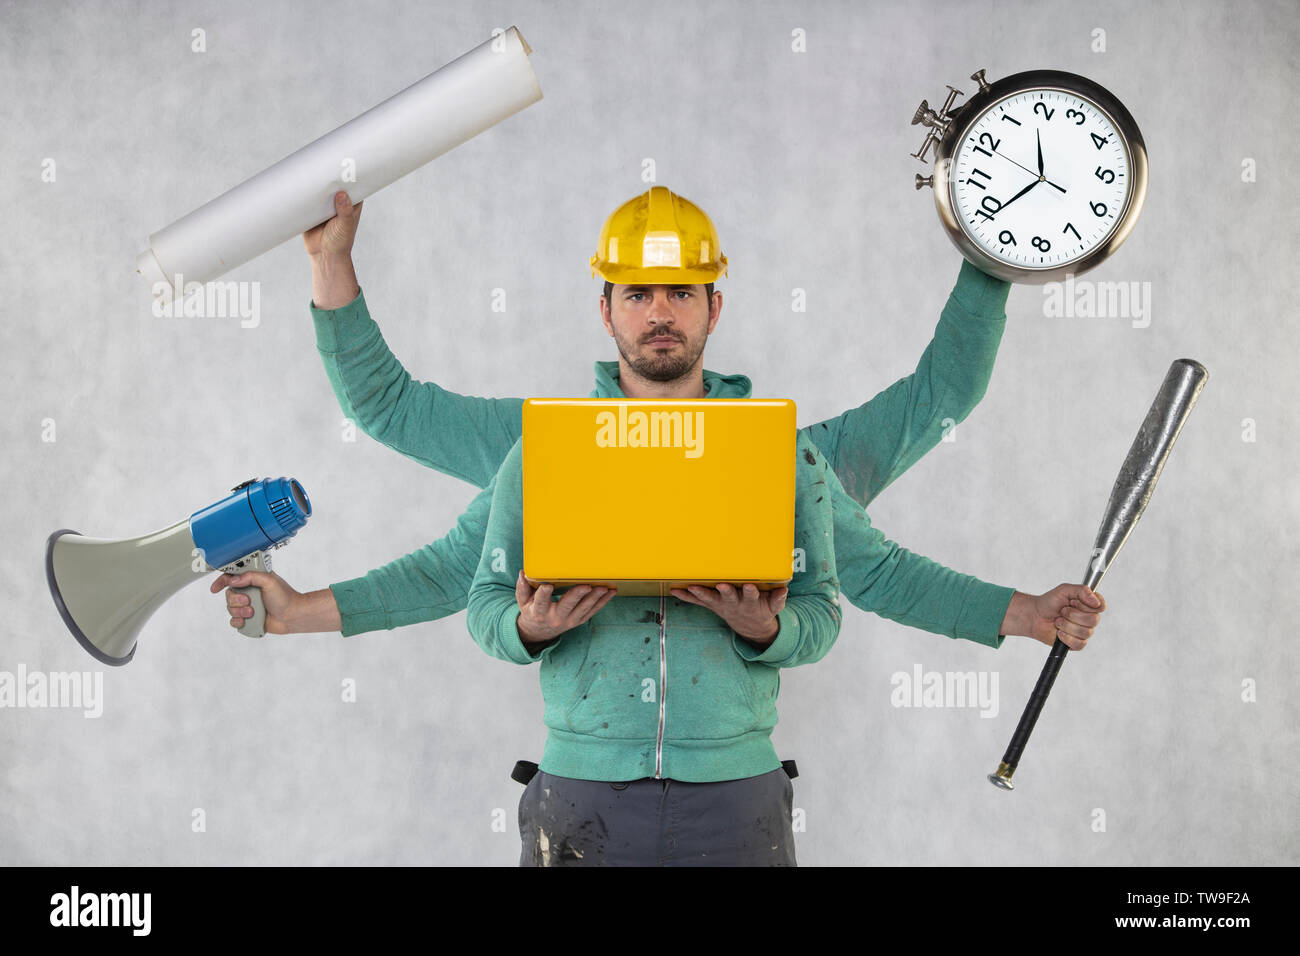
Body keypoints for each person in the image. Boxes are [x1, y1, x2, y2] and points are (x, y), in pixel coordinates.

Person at [212, 186, 1105, 864]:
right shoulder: (543, 445)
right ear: (607, 310)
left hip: (737, 805)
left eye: (682, 291)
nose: (661, 311)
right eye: (639, 293)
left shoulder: (785, 456)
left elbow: (923, 441)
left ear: (716, 306)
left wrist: (995, 253)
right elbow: (398, 432)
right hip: (584, 801)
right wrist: (331, 264)